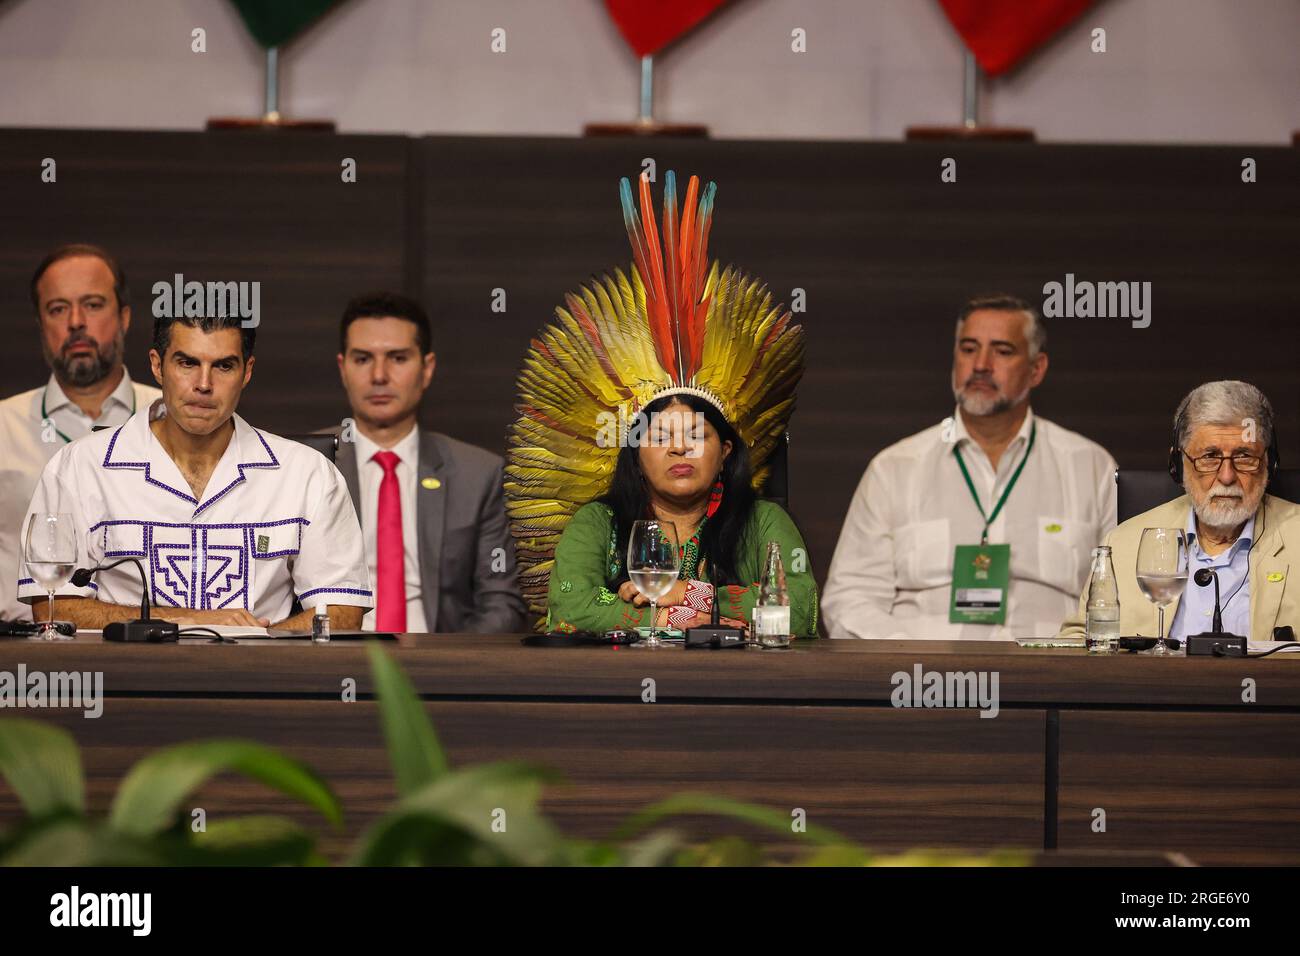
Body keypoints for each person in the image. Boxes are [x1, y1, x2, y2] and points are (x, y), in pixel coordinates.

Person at [506, 170, 816, 636]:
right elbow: (568, 610)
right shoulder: (599, 523)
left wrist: (693, 596)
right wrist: (682, 614)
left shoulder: (762, 522)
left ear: (726, 449)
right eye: (661, 436)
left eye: (696, 435)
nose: (679, 449)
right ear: (633, 448)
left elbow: (805, 610)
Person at [17, 311, 371, 630]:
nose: (203, 384)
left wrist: (252, 645)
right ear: (157, 366)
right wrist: (189, 622)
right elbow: (53, 608)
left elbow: (342, 611)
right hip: (123, 688)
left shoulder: (308, 474)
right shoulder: (78, 467)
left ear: (247, 371)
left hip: (260, 686)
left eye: (223, 366)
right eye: (186, 363)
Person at [822, 294, 1117, 640]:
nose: (981, 364)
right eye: (968, 348)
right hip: (925, 684)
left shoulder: (1090, 466)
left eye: (1002, 351)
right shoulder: (894, 468)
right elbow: (848, 599)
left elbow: (1119, 598)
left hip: (1050, 677)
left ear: (1036, 369)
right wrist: (914, 661)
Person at [332, 292, 525, 633]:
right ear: (343, 368)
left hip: (439, 665)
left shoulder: (478, 475)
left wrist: (447, 670)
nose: (379, 375)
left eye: (397, 358)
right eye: (363, 359)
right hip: (328, 663)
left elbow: (502, 604)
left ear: (427, 368)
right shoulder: (305, 464)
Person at [1058, 381, 1300, 642]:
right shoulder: (1122, 545)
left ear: (1268, 464)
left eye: (1244, 457)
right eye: (1209, 456)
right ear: (1179, 465)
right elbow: (1080, 637)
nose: (1227, 476)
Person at [0, 244, 161, 622]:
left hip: (147, 646)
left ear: (123, 317)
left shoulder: (170, 417)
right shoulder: (4, 427)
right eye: (58, 309)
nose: (75, 322)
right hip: (16, 654)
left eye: (92, 304)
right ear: (42, 324)